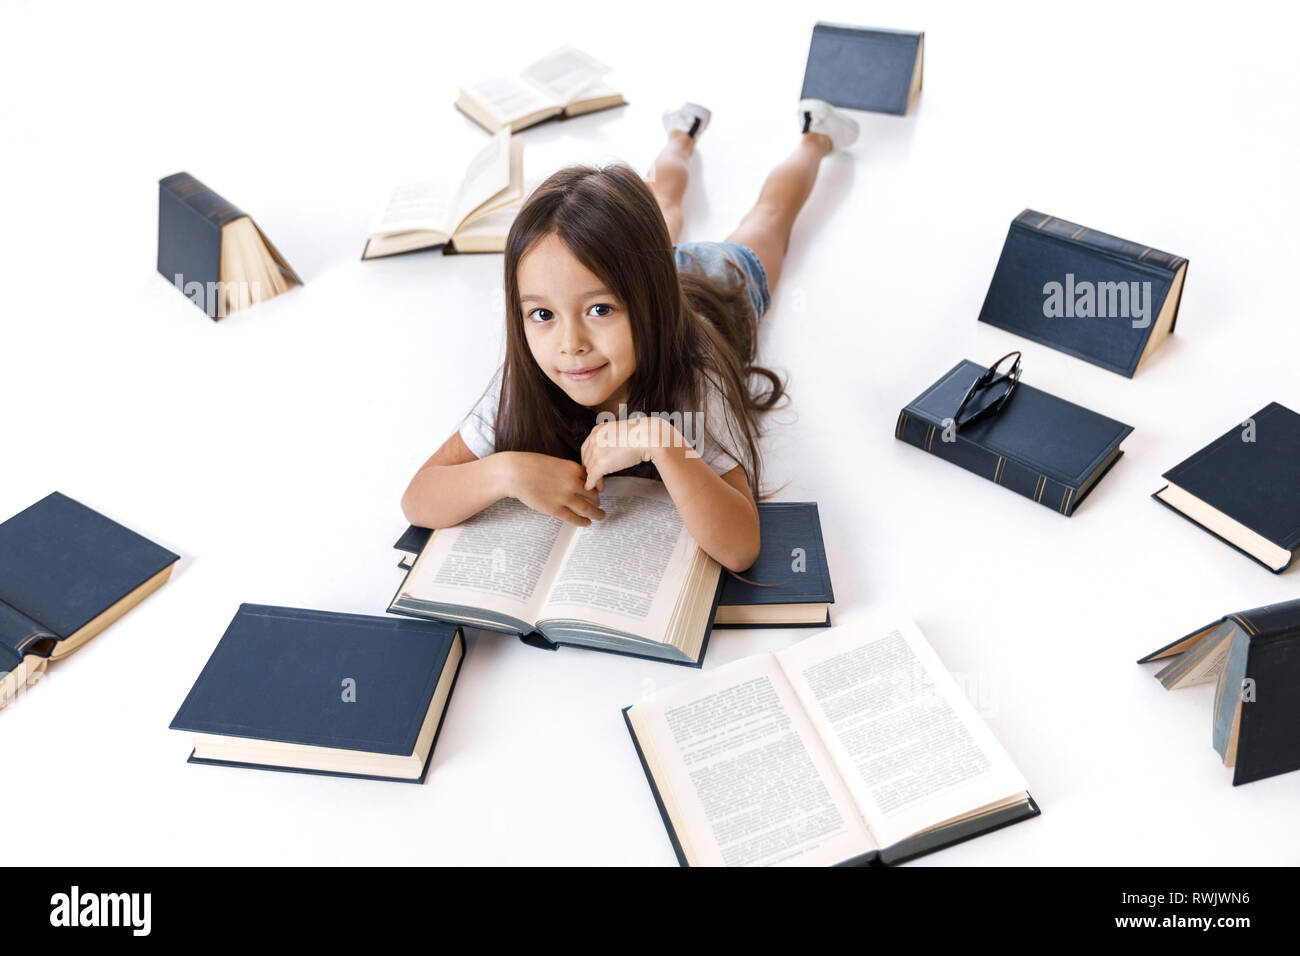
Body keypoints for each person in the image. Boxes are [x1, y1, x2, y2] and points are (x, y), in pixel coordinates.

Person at [401, 99, 858, 572]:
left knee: (767, 220)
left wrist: (664, 442)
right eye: (542, 314)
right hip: (640, 267)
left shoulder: (696, 379)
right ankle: (681, 134)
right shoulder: (522, 380)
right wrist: (504, 471)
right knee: (662, 207)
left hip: (715, 289)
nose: (570, 343)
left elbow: (740, 547)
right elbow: (418, 499)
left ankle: (815, 136)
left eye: (599, 310)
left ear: (649, 303)